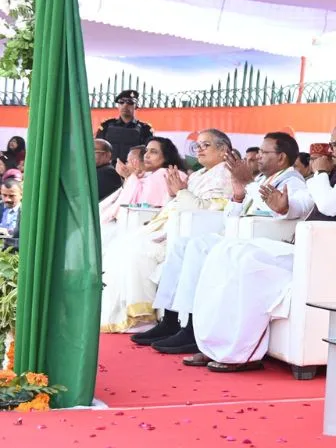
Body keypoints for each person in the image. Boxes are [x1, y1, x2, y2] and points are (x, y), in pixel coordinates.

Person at [187, 120, 336, 371]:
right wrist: (282, 205)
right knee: (227, 251)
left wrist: (321, 172)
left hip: (334, 257)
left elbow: (328, 204)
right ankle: (215, 344)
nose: (329, 150)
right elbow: (306, 202)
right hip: (310, 248)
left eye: (334, 143)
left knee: (248, 263)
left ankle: (242, 353)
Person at [138, 132, 314, 356]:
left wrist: (256, 188)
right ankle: (171, 319)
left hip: (262, 241)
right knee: (185, 245)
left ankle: (193, 328)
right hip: (240, 234)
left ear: (281, 158)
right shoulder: (261, 179)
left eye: (264, 152)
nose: (258, 157)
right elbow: (232, 214)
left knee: (199, 248)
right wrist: (239, 196)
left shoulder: (292, 180)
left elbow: (294, 207)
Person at [99, 129, 233, 333]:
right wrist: (174, 195)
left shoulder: (226, 172)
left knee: (138, 251)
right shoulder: (197, 175)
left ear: (223, 149)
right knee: (121, 246)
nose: (199, 150)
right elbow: (179, 203)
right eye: (198, 146)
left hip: (197, 230)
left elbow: (211, 209)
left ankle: (142, 317)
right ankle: (129, 313)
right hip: (174, 223)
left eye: (206, 145)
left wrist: (179, 192)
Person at [95, 90, 154, 163]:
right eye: (121, 102)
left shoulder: (145, 129)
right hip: (109, 169)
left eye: (130, 102)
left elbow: (148, 153)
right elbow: (97, 150)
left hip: (133, 170)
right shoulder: (106, 126)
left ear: (136, 106)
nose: (125, 105)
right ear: (118, 105)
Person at [0, 178, 20, 251]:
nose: (7, 199)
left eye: (11, 196)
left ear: (21, 194)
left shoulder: (26, 212)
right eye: (4, 195)